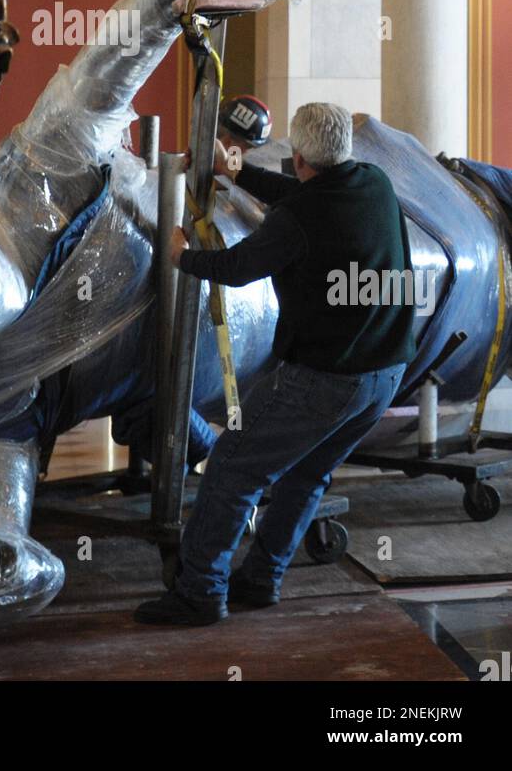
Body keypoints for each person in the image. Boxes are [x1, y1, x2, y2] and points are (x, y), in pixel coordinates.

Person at [135, 101, 416, 626]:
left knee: (232, 468)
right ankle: (262, 578)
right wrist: (232, 169)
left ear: (301, 156)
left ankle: (200, 591)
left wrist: (180, 256)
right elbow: (301, 200)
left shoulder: (298, 218)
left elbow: (238, 267)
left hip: (325, 378)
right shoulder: (373, 182)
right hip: (385, 375)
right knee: (308, 473)